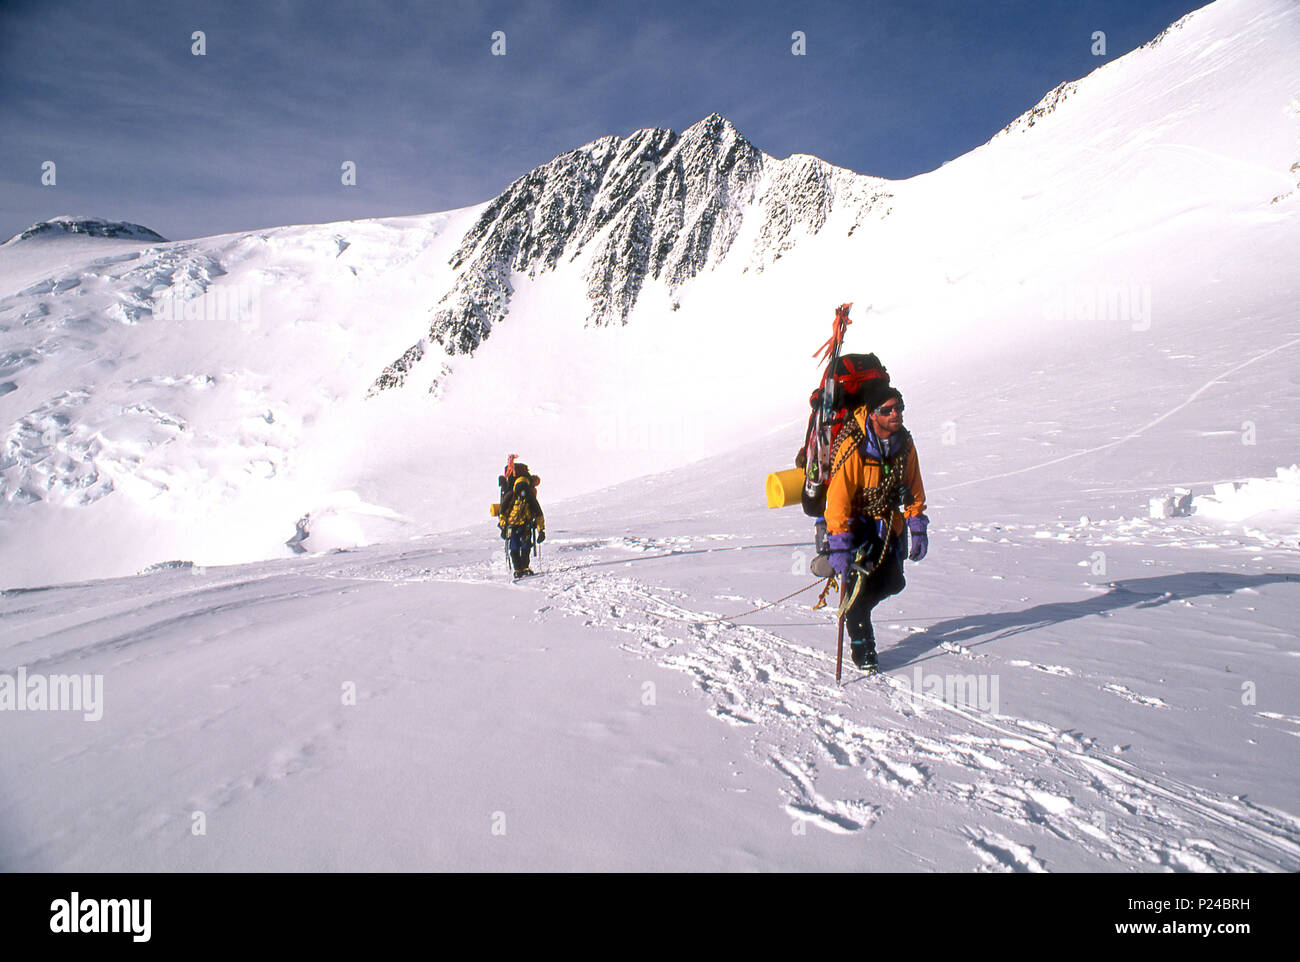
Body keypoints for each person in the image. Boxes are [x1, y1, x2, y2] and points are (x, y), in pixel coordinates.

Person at [825, 383, 928, 671]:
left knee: (895, 582)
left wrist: (917, 524)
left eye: (899, 407)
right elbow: (838, 499)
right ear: (872, 414)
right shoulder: (853, 445)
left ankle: (859, 608)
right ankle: (863, 649)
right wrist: (840, 543)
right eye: (888, 410)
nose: (896, 414)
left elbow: (914, 486)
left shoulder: (904, 444)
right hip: (856, 527)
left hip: (887, 524)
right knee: (859, 589)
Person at [498, 456, 545, 579]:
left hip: (513, 526)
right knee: (524, 546)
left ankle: (519, 569)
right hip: (523, 525)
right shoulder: (529, 497)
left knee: (516, 546)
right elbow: (539, 514)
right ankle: (523, 568)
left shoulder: (511, 496)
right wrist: (541, 530)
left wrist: (503, 528)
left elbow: (503, 513)